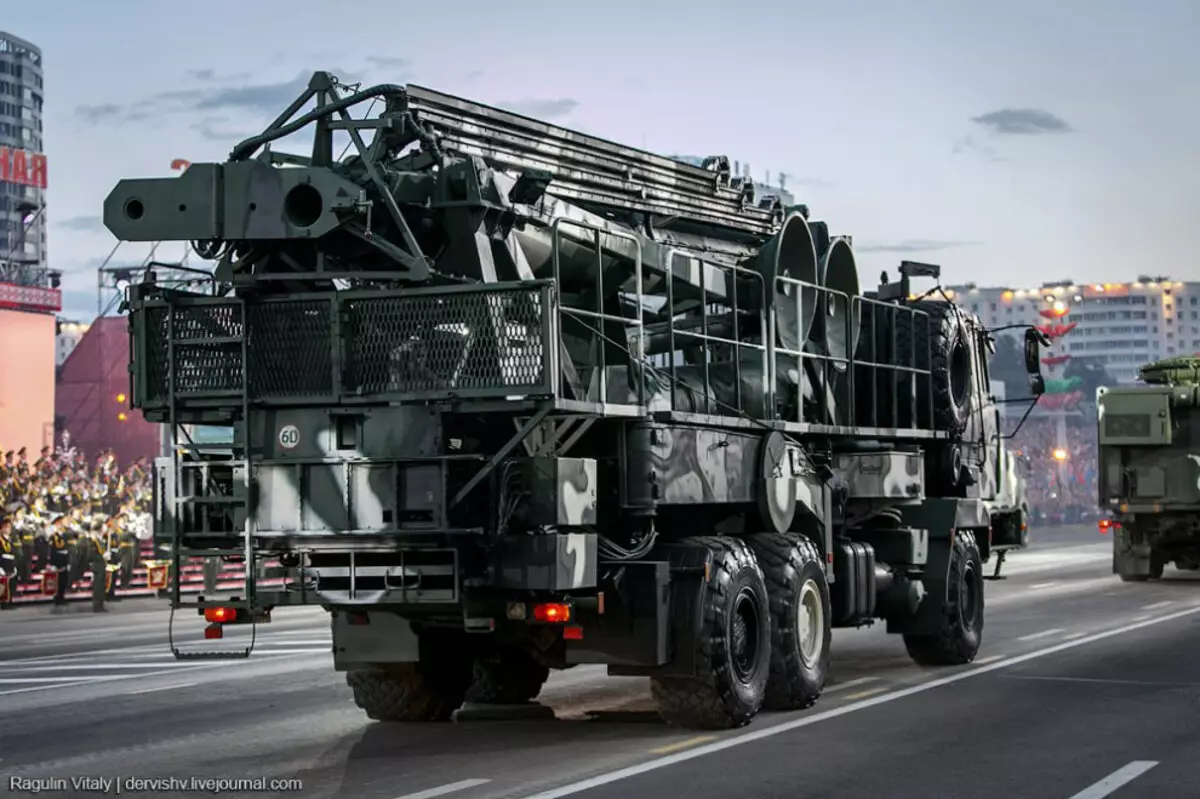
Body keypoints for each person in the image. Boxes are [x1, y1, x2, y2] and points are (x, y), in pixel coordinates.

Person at [47, 515, 72, 607]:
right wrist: (52, 563)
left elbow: (68, 549)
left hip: (64, 559)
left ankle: (62, 597)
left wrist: (68, 562)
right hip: (57, 560)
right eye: (60, 523)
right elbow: (51, 550)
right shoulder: (53, 537)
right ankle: (57, 598)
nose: (61, 525)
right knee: (57, 581)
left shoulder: (65, 535)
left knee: (64, 581)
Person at [0, 516, 16, 609]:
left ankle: (9, 601)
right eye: (7, 527)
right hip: (3, 563)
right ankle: (3, 602)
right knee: (3, 584)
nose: (9, 529)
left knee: (11, 583)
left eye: (9, 527)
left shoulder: (9, 539)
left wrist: (14, 566)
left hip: (10, 563)